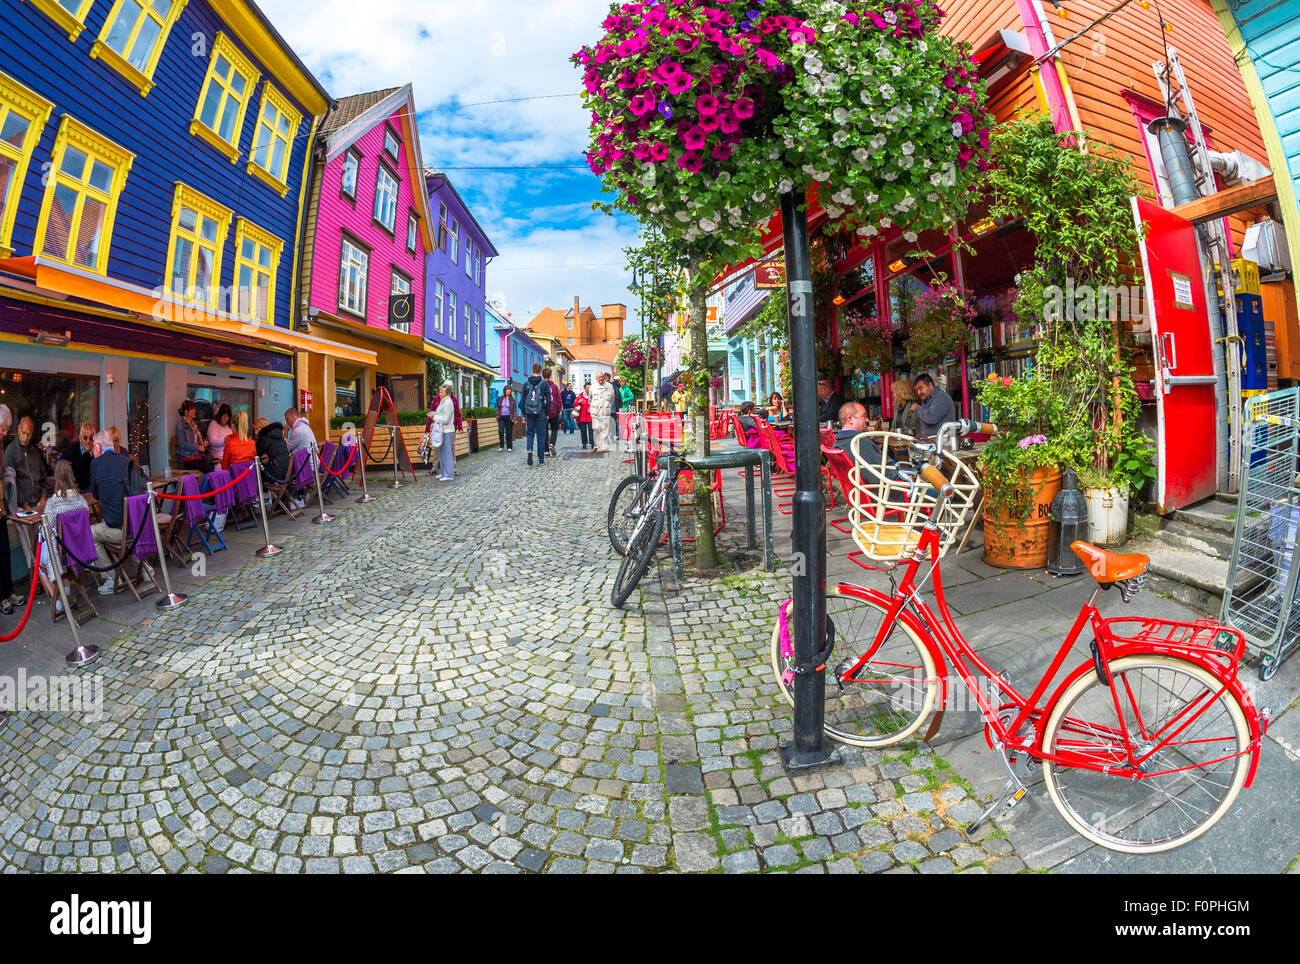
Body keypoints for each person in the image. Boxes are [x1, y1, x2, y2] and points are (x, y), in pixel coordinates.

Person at [35, 461, 90, 611]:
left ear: (56, 478)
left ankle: (58, 599)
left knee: (39, 560)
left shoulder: (53, 504)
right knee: (58, 546)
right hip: (78, 551)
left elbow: (48, 532)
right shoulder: (81, 500)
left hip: (63, 554)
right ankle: (65, 587)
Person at [88, 429, 130, 595]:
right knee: (125, 522)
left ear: (98, 447)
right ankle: (144, 568)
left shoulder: (96, 464)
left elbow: (95, 495)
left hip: (117, 532)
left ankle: (111, 578)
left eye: (93, 447)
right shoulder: (126, 460)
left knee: (90, 533)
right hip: (137, 529)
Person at [0, 404, 25, 615]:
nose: (6, 432)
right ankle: (1, 597)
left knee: (4, 550)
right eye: (3, 428)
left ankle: (8, 592)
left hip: (1, 506)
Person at [5, 415, 48, 510]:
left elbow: (43, 478)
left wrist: (43, 496)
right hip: (19, 506)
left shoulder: (35, 452)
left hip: (38, 503)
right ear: (18, 429)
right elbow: (11, 484)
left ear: (32, 434)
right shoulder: (10, 452)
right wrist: (25, 505)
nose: (25, 437)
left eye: (28, 434)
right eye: (23, 433)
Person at [520, 363, 553, 467]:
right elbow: (549, 401)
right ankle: (541, 459)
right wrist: (547, 413)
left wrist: (524, 414)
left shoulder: (526, 384)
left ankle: (530, 450)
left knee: (530, 434)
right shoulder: (544, 384)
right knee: (541, 436)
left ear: (531, 371)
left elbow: (522, 401)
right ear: (540, 372)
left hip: (529, 413)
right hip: (541, 413)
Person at [175, 400, 213, 474]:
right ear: (186, 411)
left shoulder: (194, 424)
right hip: (189, 458)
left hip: (198, 457)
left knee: (211, 468)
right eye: (192, 409)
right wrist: (198, 447)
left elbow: (200, 438)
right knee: (205, 470)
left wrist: (204, 442)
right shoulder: (181, 425)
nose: (195, 410)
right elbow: (182, 444)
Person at [914, 373, 956, 437]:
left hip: (943, 444)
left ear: (930, 385)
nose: (918, 393)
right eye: (917, 390)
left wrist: (917, 408)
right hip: (931, 442)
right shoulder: (927, 399)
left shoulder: (941, 397)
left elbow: (931, 418)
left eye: (921, 388)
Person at [58, 422, 96, 491]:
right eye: (85, 437)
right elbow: (61, 471)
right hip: (73, 490)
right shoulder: (70, 451)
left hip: (90, 489)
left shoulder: (96, 451)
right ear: (80, 438)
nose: (88, 441)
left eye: (91, 438)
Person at [254, 417, 290, 487]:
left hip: (276, 475)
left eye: (257, 429)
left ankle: (262, 494)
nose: (255, 432)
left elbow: (257, 455)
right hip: (286, 472)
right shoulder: (278, 436)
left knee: (256, 468)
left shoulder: (264, 438)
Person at [432, 381, 457, 481]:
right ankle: (443, 472)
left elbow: (445, 419)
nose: (439, 394)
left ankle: (448, 474)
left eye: (441, 392)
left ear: (447, 393)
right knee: (442, 453)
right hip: (443, 430)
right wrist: (435, 415)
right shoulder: (444, 401)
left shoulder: (448, 403)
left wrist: (434, 417)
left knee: (446, 453)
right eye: (439, 392)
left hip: (447, 430)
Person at [590, 371, 614, 453]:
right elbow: (590, 398)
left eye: (602, 377)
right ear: (596, 378)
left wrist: (606, 405)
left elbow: (611, 398)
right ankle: (596, 445)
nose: (601, 378)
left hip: (605, 410)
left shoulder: (609, 386)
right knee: (596, 428)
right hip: (595, 411)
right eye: (599, 377)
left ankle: (604, 446)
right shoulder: (592, 387)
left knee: (605, 429)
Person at [544, 367, 562, 458]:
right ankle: (552, 444)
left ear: (542, 376)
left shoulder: (541, 386)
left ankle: (546, 451)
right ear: (550, 376)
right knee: (555, 429)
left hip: (543, 412)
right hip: (553, 411)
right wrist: (558, 410)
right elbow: (559, 400)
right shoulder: (554, 387)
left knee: (544, 431)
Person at [496, 386, 517, 451]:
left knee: (508, 432)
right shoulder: (500, 398)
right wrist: (497, 414)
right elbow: (498, 407)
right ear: (505, 390)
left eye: (510, 390)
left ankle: (509, 447)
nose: (509, 391)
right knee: (501, 431)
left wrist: (514, 418)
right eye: (507, 389)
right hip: (501, 417)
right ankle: (501, 446)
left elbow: (514, 409)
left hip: (509, 417)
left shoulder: (512, 399)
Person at [576, 383, 593, 450]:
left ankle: (592, 443)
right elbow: (575, 402)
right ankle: (584, 444)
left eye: (589, 388)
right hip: (582, 416)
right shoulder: (581, 395)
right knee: (583, 431)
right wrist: (578, 402)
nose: (588, 389)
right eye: (587, 388)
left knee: (591, 430)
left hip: (590, 415)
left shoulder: (593, 395)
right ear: (585, 388)